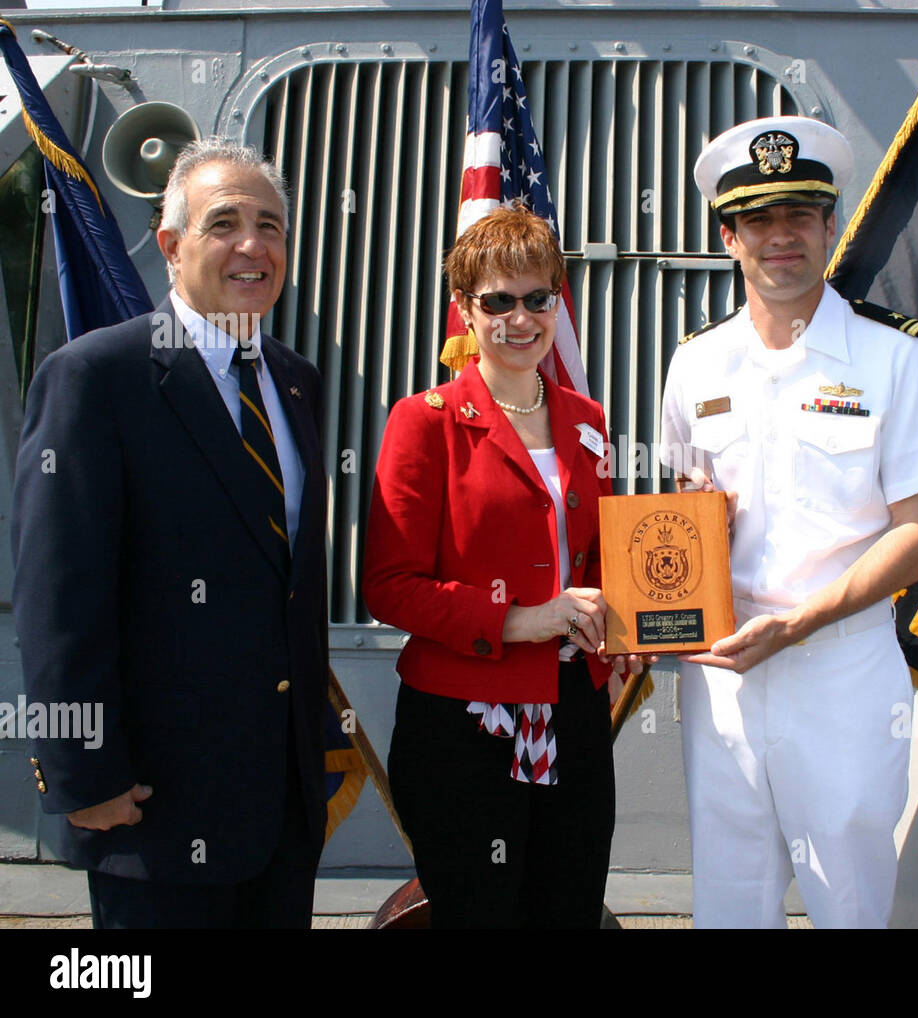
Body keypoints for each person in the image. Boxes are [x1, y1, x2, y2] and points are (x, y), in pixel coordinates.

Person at [659, 115, 918, 928]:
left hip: (841, 671)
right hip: (722, 674)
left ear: (831, 226)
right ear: (729, 237)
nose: (781, 238)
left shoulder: (895, 357)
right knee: (729, 901)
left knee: (851, 904)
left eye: (799, 216)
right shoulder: (694, 365)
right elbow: (684, 517)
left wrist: (800, 624)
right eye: (759, 220)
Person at [10, 139, 329, 928]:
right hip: (150, 807)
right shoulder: (98, 377)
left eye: (272, 226)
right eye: (224, 223)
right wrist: (84, 777)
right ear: (170, 244)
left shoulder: (295, 382)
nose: (254, 246)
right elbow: (58, 596)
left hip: (280, 809)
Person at [363, 204, 637, 928]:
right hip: (462, 725)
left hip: (572, 712)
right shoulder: (424, 420)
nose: (521, 319)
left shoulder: (588, 418)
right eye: (498, 301)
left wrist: (632, 615)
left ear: (557, 300)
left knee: (568, 907)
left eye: (538, 298)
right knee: (479, 914)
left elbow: (599, 550)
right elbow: (389, 587)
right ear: (464, 309)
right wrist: (521, 621)